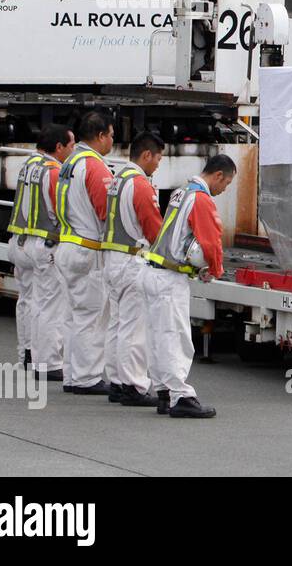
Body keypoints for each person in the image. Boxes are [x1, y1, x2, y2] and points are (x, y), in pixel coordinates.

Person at [142, 154, 236, 419]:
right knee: (176, 337)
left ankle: (164, 392)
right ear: (218, 175)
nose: (224, 190)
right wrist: (215, 269)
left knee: (157, 336)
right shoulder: (201, 199)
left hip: (152, 270)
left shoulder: (181, 192)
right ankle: (181, 397)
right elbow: (210, 240)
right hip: (170, 278)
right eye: (226, 183)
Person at [102, 133, 166, 407]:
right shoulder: (140, 184)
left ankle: (116, 381)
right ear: (147, 155)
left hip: (112, 258)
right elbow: (154, 229)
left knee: (116, 324)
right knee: (134, 327)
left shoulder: (117, 179)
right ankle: (133, 386)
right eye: (159, 159)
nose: (158, 165)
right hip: (131, 260)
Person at [55, 111, 116, 395]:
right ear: (101, 136)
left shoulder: (68, 163)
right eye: (112, 135)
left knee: (72, 315)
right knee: (92, 317)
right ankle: (87, 377)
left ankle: (72, 373)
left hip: (66, 244)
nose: (112, 141)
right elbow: (107, 212)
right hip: (87, 247)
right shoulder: (95, 166)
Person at [20, 125, 75, 382]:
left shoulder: (29, 165)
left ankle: (28, 352)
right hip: (45, 243)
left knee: (30, 301)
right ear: (59, 147)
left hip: (23, 240)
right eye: (71, 145)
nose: (73, 150)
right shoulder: (53, 171)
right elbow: (61, 210)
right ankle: (49, 362)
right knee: (51, 304)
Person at [6, 151, 44, 367]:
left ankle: (25, 352)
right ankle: (34, 351)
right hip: (33, 239)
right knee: (42, 301)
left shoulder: (28, 163)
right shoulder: (48, 169)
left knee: (25, 299)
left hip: (17, 237)